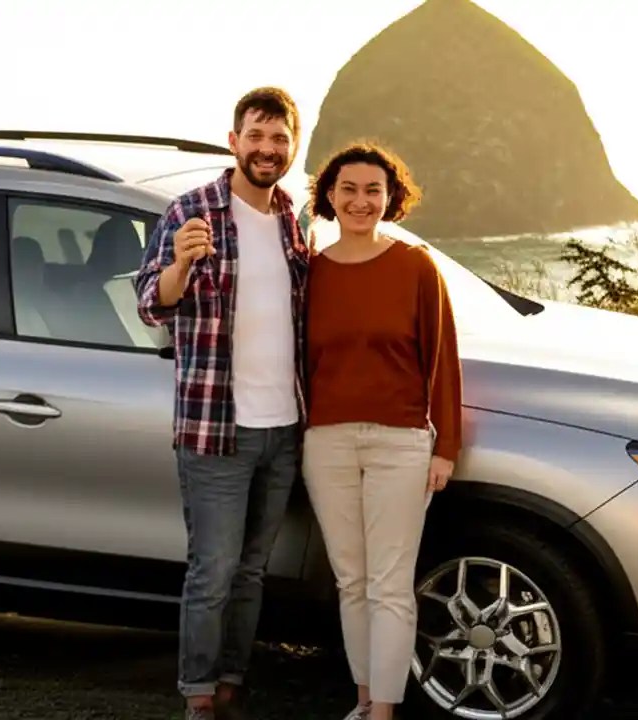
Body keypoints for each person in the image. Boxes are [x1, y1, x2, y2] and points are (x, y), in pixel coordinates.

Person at [132, 87, 311, 720]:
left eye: (279, 138)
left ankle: (233, 681)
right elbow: (151, 302)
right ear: (234, 141)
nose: (267, 149)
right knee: (212, 571)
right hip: (216, 429)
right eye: (256, 137)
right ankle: (199, 696)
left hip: (284, 429)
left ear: (292, 145)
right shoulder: (192, 211)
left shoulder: (293, 218)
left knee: (252, 572)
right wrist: (180, 264)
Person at [301, 142, 463, 720]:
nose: (360, 201)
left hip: (400, 443)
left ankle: (385, 711)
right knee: (352, 582)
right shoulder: (311, 273)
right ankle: (364, 698)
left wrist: (445, 447)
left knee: (390, 585)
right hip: (326, 443)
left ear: (391, 198)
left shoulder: (416, 267)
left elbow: (443, 360)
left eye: (373, 190)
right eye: (348, 189)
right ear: (330, 196)